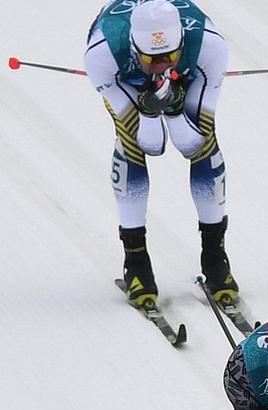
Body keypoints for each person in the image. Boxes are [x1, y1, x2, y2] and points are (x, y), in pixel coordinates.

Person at [85, 0, 236, 308]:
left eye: (170, 55)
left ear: (181, 42)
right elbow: (150, 145)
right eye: (152, 58)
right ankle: (136, 260)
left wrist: (176, 109)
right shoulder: (101, 55)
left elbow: (194, 143)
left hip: (191, 73)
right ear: (133, 47)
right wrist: (150, 111)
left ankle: (214, 255)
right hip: (124, 76)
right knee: (130, 147)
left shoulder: (210, 46)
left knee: (206, 147)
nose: (162, 65)